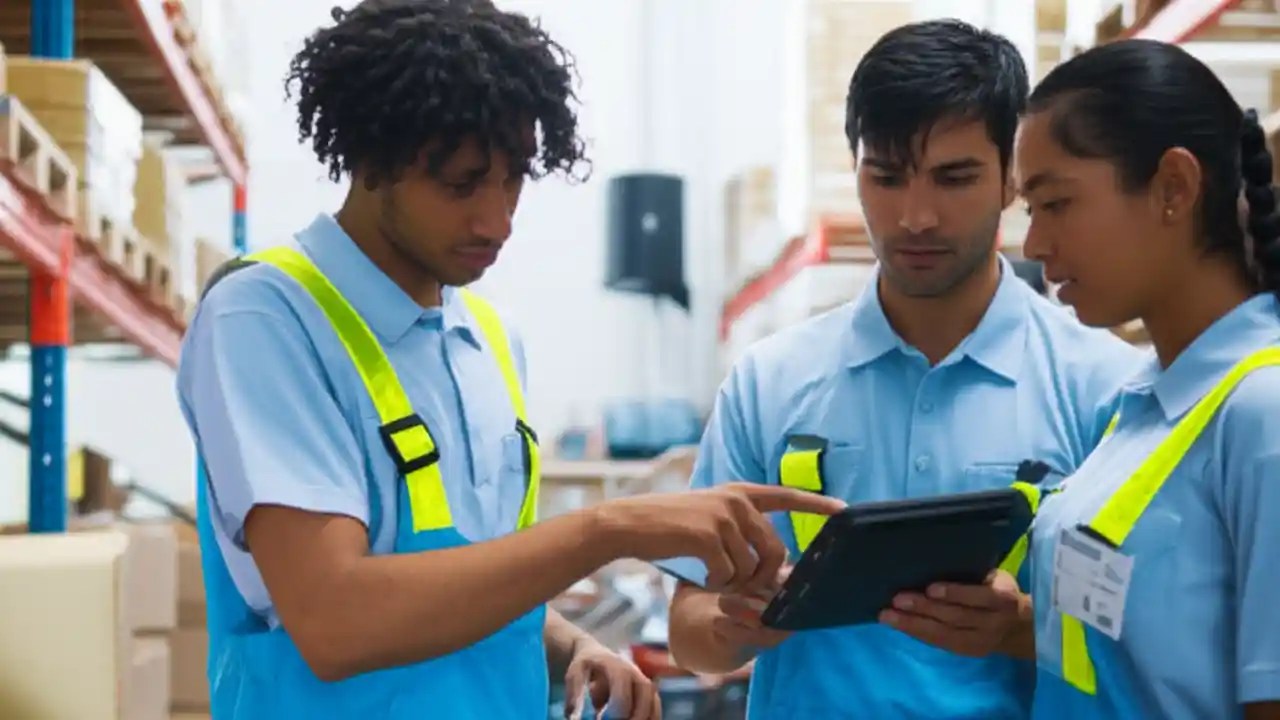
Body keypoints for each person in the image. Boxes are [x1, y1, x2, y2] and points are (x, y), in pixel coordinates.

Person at [175, 2, 844, 719]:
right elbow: (336, 619)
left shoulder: (489, 338)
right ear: (371, 159)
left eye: (514, 179)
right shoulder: (267, 317)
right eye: (461, 184)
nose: (496, 221)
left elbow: (468, 573)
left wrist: (569, 644)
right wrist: (610, 528)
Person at [665, 19, 1148, 719]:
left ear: (1013, 173)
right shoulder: (768, 384)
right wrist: (731, 626)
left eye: (955, 178)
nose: (916, 216)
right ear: (854, 165)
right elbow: (690, 629)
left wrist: (1018, 628)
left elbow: (1141, 638)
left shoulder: (1104, 389)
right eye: (886, 177)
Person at [887, 39, 1280, 719]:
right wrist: (1010, 625)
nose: (1035, 246)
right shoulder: (1144, 407)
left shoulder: (1262, 414)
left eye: (1057, 204)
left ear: (1173, 189)